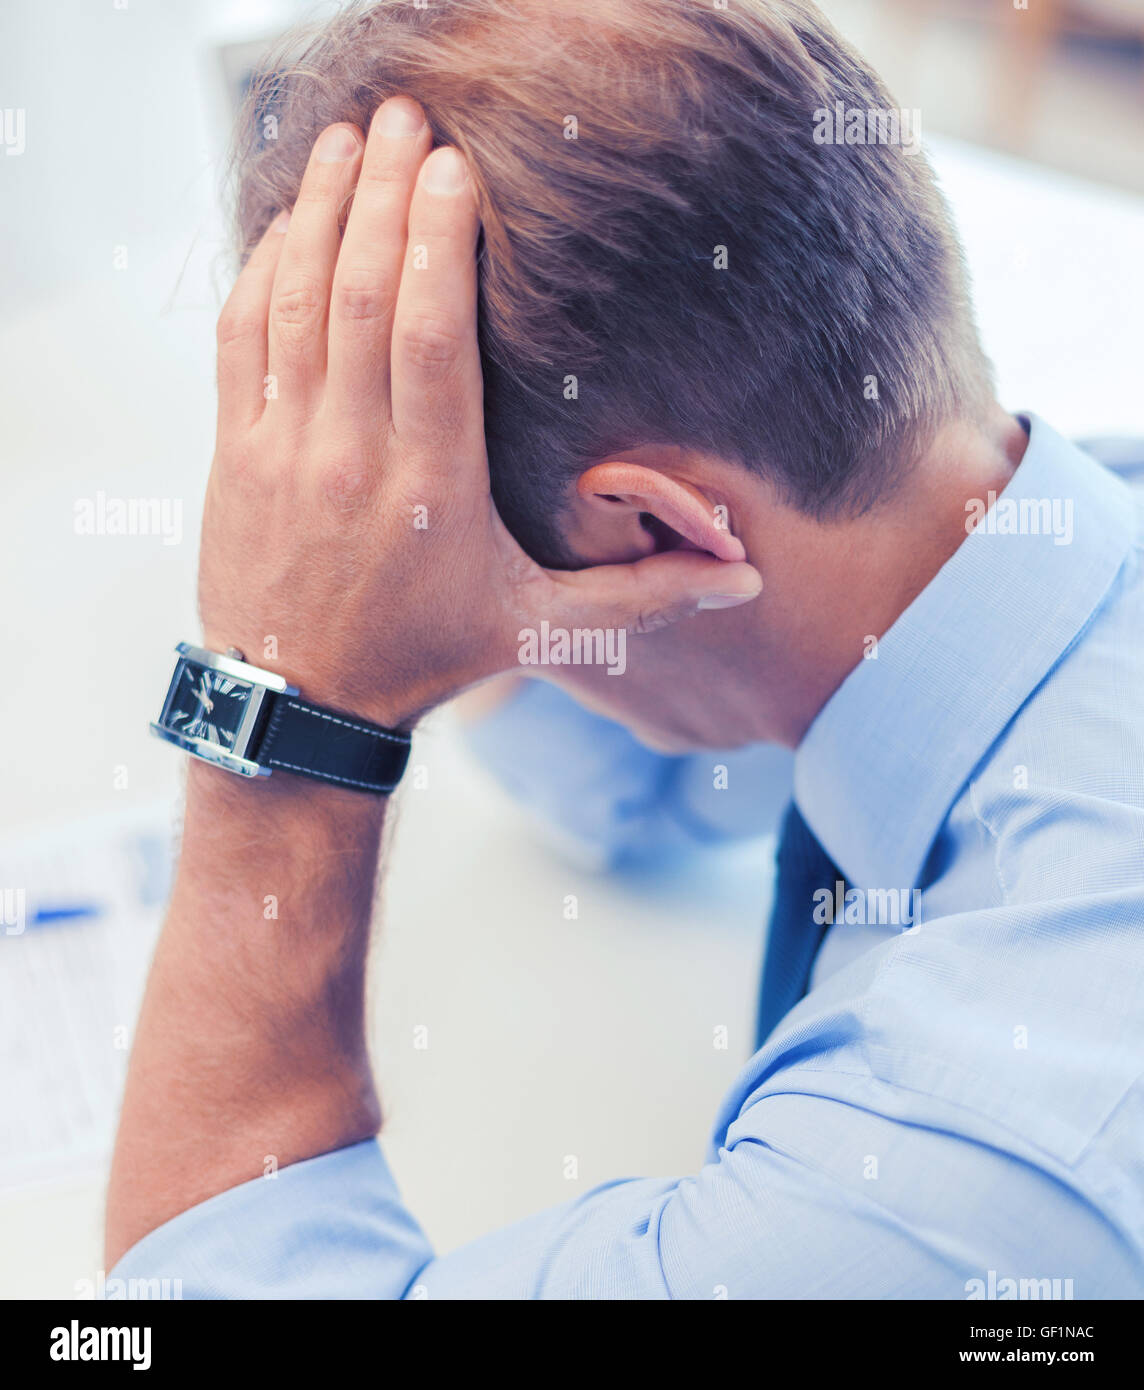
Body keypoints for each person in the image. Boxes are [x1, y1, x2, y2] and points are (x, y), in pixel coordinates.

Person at [105, 0, 1144, 1297]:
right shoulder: (1010, 541)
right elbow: (643, 793)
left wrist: (285, 700)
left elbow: (185, 1294)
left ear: (657, 527)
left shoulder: (977, 1170)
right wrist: (417, 570)